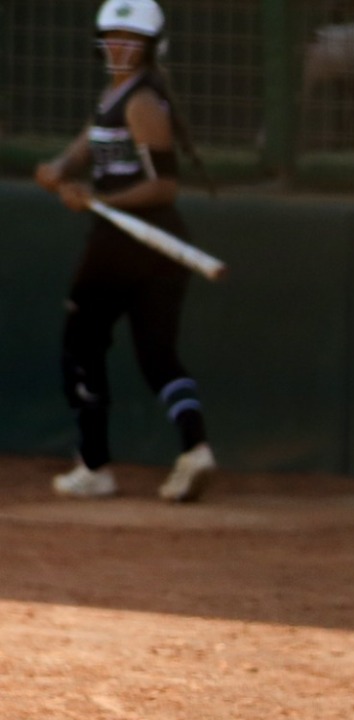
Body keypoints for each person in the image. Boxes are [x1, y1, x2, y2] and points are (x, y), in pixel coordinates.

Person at [34, 0, 217, 503]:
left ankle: (94, 464)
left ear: (151, 48)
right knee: (156, 353)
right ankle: (194, 449)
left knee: (82, 341)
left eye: (130, 41)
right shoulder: (114, 95)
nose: (118, 48)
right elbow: (85, 149)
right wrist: (57, 171)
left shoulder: (142, 103)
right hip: (149, 243)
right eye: (112, 37)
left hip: (129, 242)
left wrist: (98, 199)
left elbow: (164, 187)